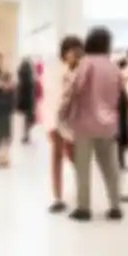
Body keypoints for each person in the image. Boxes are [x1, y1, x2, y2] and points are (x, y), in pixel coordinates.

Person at [60, 26, 123, 221]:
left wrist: (65, 112)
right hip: (109, 124)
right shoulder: (113, 66)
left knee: (83, 167)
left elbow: (76, 89)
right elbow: (120, 93)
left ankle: (84, 208)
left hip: (85, 122)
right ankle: (115, 206)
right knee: (110, 167)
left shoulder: (87, 63)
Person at [46, 35, 83, 214]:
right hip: (57, 121)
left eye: (76, 51)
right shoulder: (57, 72)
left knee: (76, 159)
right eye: (70, 51)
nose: (73, 55)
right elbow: (51, 98)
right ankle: (57, 197)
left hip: (76, 124)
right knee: (56, 159)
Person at [16, 57, 37, 144]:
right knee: (28, 119)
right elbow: (33, 91)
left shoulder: (21, 76)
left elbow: (19, 90)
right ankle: (26, 135)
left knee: (23, 120)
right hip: (30, 101)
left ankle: (25, 135)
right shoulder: (31, 78)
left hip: (22, 100)